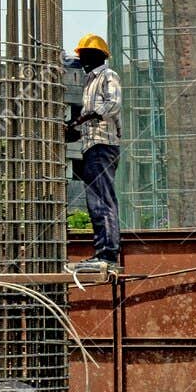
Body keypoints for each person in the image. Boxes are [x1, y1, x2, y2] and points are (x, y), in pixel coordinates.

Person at [69, 33, 122, 273]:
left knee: (102, 200)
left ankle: (107, 255)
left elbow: (113, 104)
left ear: (98, 56)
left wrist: (84, 117)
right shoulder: (88, 82)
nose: (81, 60)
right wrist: (77, 130)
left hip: (103, 147)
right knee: (95, 202)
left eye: (85, 55)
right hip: (92, 146)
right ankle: (102, 252)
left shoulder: (108, 76)